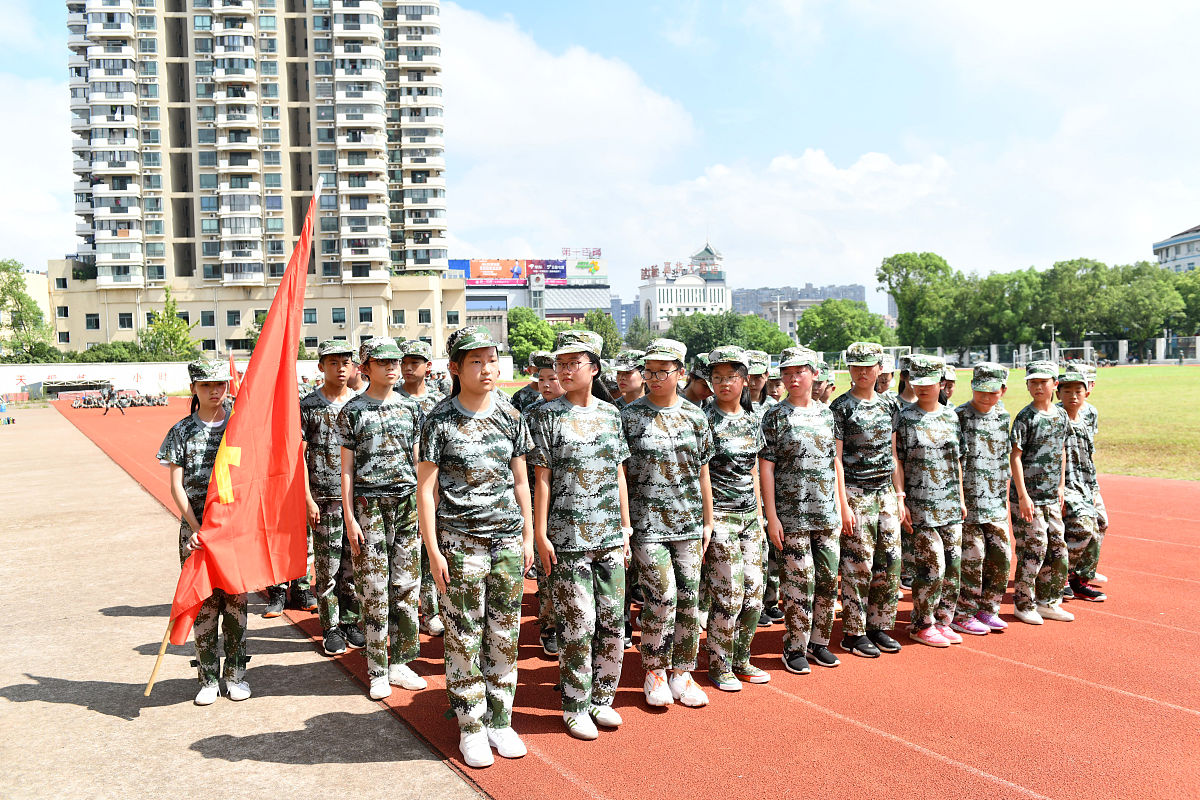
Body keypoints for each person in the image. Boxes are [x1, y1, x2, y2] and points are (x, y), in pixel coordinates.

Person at [418, 326, 535, 769]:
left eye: (491, 360)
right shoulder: (439, 420)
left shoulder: (510, 415)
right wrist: (433, 551)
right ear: (455, 367)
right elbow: (425, 492)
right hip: (459, 543)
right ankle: (470, 726)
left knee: (505, 634)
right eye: (475, 361)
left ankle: (500, 720)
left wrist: (526, 535)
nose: (486, 369)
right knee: (464, 637)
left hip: (505, 540)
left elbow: (521, 481)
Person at [529, 330, 631, 740]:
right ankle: (574, 704)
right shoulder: (544, 416)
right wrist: (540, 533)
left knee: (612, 623)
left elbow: (619, 473)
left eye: (574, 363)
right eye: (560, 364)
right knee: (578, 622)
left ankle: (602, 699)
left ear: (594, 368)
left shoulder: (610, 414)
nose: (565, 370)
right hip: (567, 536)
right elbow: (542, 480)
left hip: (608, 534)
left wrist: (625, 529)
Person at [623, 338, 714, 709]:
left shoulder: (695, 415)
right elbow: (620, 474)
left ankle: (682, 671)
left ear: (681, 373)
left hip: (689, 523)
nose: (654, 377)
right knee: (661, 597)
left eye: (663, 371)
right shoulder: (629, 416)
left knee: (690, 599)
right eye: (649, 371)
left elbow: (703, 471)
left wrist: (708, 521)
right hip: (647, 526)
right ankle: (655, 670)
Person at [338, 338, 428, 700]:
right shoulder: (354, 410)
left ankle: (401, 661)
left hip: (406, 504)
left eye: (396, 361)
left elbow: (421, 463)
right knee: (374, 588)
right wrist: (349, 516)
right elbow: (345, 469)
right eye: (383, 362)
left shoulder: (411, 408)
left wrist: (426, 509)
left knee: (406, 586)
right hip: (368, 504)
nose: (393, 367)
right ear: (366, 367)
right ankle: (377, 668)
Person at [156, 359, 248, 705]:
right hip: (197, 533)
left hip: (233, 532)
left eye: (220, 384)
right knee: (204, 605)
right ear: (194, 388)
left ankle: (236, 675)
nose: (214, 391)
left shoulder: (238, 428)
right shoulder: (181, 432)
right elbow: (176, 486)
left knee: (236, 606)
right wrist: (195, 528)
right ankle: (208, 677)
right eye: (206, 385)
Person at [760, 346, 843, 674]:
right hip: (791, 516)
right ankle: (794, 647)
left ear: (814, 373)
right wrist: (772, 516)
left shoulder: (826, 414)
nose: (792, 378)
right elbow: (765, 468)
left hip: (826, 514)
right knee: (798, 584)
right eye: (787, 372)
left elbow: (834, 462)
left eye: (799, 371)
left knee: (826, 581)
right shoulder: (775, 416)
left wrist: (844, 507)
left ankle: (818, 643)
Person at [701, 346, 769, 691]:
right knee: (729, 594)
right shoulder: (703, 419)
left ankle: (741, 658)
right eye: (717, 377)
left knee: (755, 594)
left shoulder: (752, 420)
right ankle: (719, 664)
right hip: (721, 518)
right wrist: (709, 520)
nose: (724, 383)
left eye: (731, 377)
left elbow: (754, 469)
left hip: (750, 519)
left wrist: (760, 514)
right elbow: (700, 474)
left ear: (745, 380)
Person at [831, 341, 904, 658]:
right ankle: (854, 632)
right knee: (857, 565)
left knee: (889, 563)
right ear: (849, 369)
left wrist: (899, 494)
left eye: (868, 365)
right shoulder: (841, 407)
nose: (862, 372)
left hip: (885, 492)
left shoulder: (890, 405)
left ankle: (879, 625)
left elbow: (893, 453)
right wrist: (843, 503)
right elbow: (835, 459)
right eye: (856, 366)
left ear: (880, 368)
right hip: (856, 493)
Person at [895, 355, 966, 648]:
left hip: (949, 502)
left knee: (954, 564)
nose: (922, 388)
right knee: (932, 565)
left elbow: (956, 460)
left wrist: (961, 497)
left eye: (929, 383)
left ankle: (943, 619)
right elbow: (896, 460)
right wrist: (901, 498)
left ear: (942, 384)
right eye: (917, 382)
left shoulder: (951, 416)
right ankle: (922, 623)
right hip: (920, 503)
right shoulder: (904, 417)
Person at [300, 340, 364, 656]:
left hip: (355, 500)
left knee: (353, 565)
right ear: (321, 366)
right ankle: (331, 627)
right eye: (333, 362)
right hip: (323, 498)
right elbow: (296, 455)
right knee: (327, 567)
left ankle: (351, 621)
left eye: (345, 362)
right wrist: (307, 499)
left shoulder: (359, 404)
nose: (340, 368)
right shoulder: (308, 405)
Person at [1009, 360, 1073, 625]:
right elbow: (1015, 457)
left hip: (1050, 496)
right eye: (1033, 382)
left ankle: (1049, 601)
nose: (1037, 387)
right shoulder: (1026, 418)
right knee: (1033, 550)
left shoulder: (1061, 416)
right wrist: (1023, 496)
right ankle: (1024, 604)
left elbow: (1061, 451)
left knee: (1058, 551)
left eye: (1043, 382)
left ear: (1054, 385)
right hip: (1029, 499)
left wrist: (1060, 485)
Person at [953, 363, 1012, 634]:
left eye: (992, 393)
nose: (986, 398)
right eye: (980, 392)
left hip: (996, 500)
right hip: (969, 502)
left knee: (1001, 556)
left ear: (1003, 390)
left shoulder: (1002, 417)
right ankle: (963, 612)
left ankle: (989, 608)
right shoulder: (959, 416)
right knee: (972, 559)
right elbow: (954, 462)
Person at [396, 339, 447, 637]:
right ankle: (401, 613)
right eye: (405, 361)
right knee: (404, 554)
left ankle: (431, 610)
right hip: (401, 487)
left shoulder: (438, 403)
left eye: (415, 362)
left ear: (428, 366)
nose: (408, 367)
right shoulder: (392, 397)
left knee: (431, 549)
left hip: (434, 488)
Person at [525, 350, 564, 656]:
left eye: (552, 378)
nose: (547, 384)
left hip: (572, 502)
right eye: (542, 379)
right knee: (546, 567)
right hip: (541, 502)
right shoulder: (532, 415)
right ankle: (549, 625)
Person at [1057, 367, 1107, 602]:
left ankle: (1080, 580)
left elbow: (1089, 453)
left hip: (1087, 483)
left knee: (1099, 526)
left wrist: (1093, 487)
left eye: (1079, 390)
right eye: (1067, 391)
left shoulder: (1087, 417)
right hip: (1065, 484)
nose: (1073, 396)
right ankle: (1060, 577)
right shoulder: (1055, 418)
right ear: (1058, 393)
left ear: (1087, 393)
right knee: (1083, 528)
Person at [746, 349, 783, 627]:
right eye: (750, 375)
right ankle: (754, 604)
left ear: (767, 376)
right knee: (755, 552)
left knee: (773, 549)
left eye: (759, 376)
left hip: (772, 483)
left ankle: (770, 600)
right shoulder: (737, 404)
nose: (754, 381)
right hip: (747, 485)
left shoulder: (774, 408)